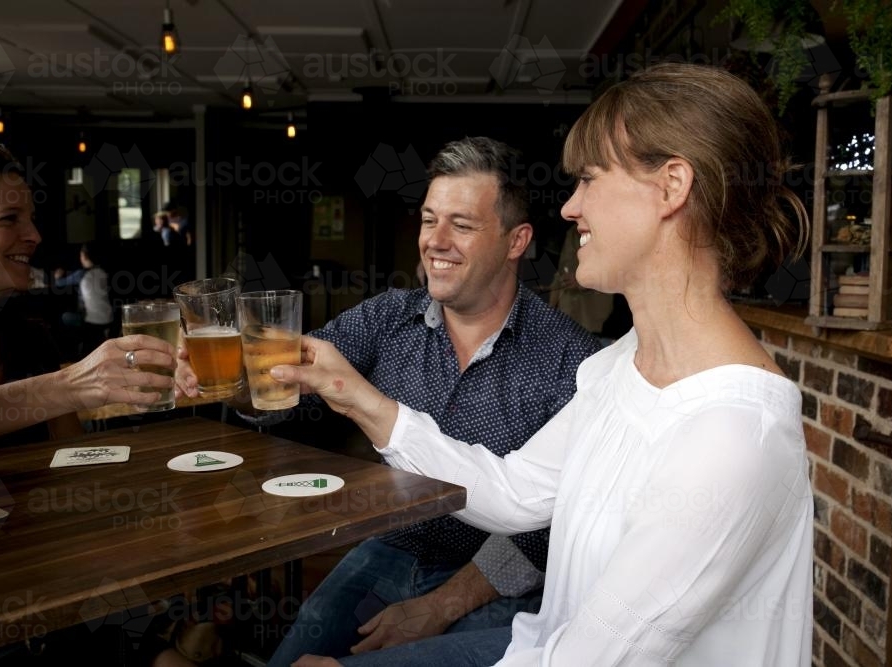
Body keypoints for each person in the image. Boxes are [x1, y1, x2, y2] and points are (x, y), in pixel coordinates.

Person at [272, 63, 814, 666]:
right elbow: (511, 491)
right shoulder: (617, 367)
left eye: (590, 178)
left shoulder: (732, 435)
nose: (571, 207)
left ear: (671, 187)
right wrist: (353, 394)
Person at [175, 137, 601, 667]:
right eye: (428, 220)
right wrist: (234, 380)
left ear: (517, 242)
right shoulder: (387, 317)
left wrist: (441, 605)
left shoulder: (571, 358)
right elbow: (290, 393)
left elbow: (557, 526)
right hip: (392, 546)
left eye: (462, 225)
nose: (436, 242)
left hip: (493, 577)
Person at [0, 139, 176, 451]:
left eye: (31, 219)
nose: (34, 236)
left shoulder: (30, 338)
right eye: (9, 218)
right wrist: (71, 384)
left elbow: (74, 458)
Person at [547, 224, 614, 340]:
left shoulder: (609, 232)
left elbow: (616, 272)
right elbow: (562, 272)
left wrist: (582, 282)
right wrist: (549, 314)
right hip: (567, 317)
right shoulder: (573, 232)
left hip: (593, 321)